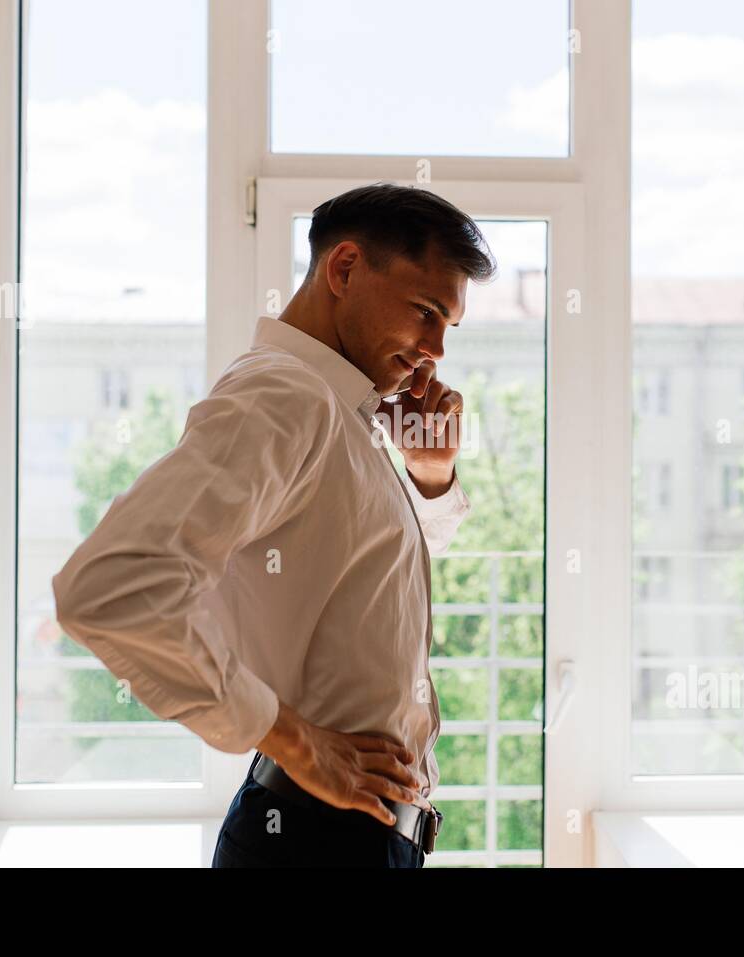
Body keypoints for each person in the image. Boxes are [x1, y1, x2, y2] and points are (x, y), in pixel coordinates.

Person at [51, 181, 496, 867]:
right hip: (317, 843)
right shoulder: (286, 396)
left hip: (352, 839)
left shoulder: (341, 410)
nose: (436, 347)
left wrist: (428, 473)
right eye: (426, 312)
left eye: (449, 326)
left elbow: (372, 592)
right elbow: (109, 589)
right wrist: (296, 740)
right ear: (344, 269)